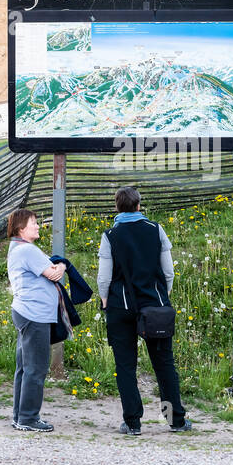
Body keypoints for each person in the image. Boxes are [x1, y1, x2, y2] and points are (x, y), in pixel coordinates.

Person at [98, 186, 192, 435]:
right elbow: (168, 272)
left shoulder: (110, 235)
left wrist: (105, 300)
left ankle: (132, 423)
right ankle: (175, 420)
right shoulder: (155, 230)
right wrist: (162, 295)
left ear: (117, 208)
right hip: (154, 305)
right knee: (164, 365)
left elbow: (104, 278)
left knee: (126, 365)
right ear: (139, 205)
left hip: (121, 306)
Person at [6, 208, 65, 432]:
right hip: (34, 315)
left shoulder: (18, 249)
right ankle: (28, 418)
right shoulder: (27, 250)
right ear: (22, 228)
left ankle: (20, 416)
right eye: (33, 222)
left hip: (26, 312)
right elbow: (54, 274)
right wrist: (62, 265)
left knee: (24, 367)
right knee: (36, 368)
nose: (38, 225)